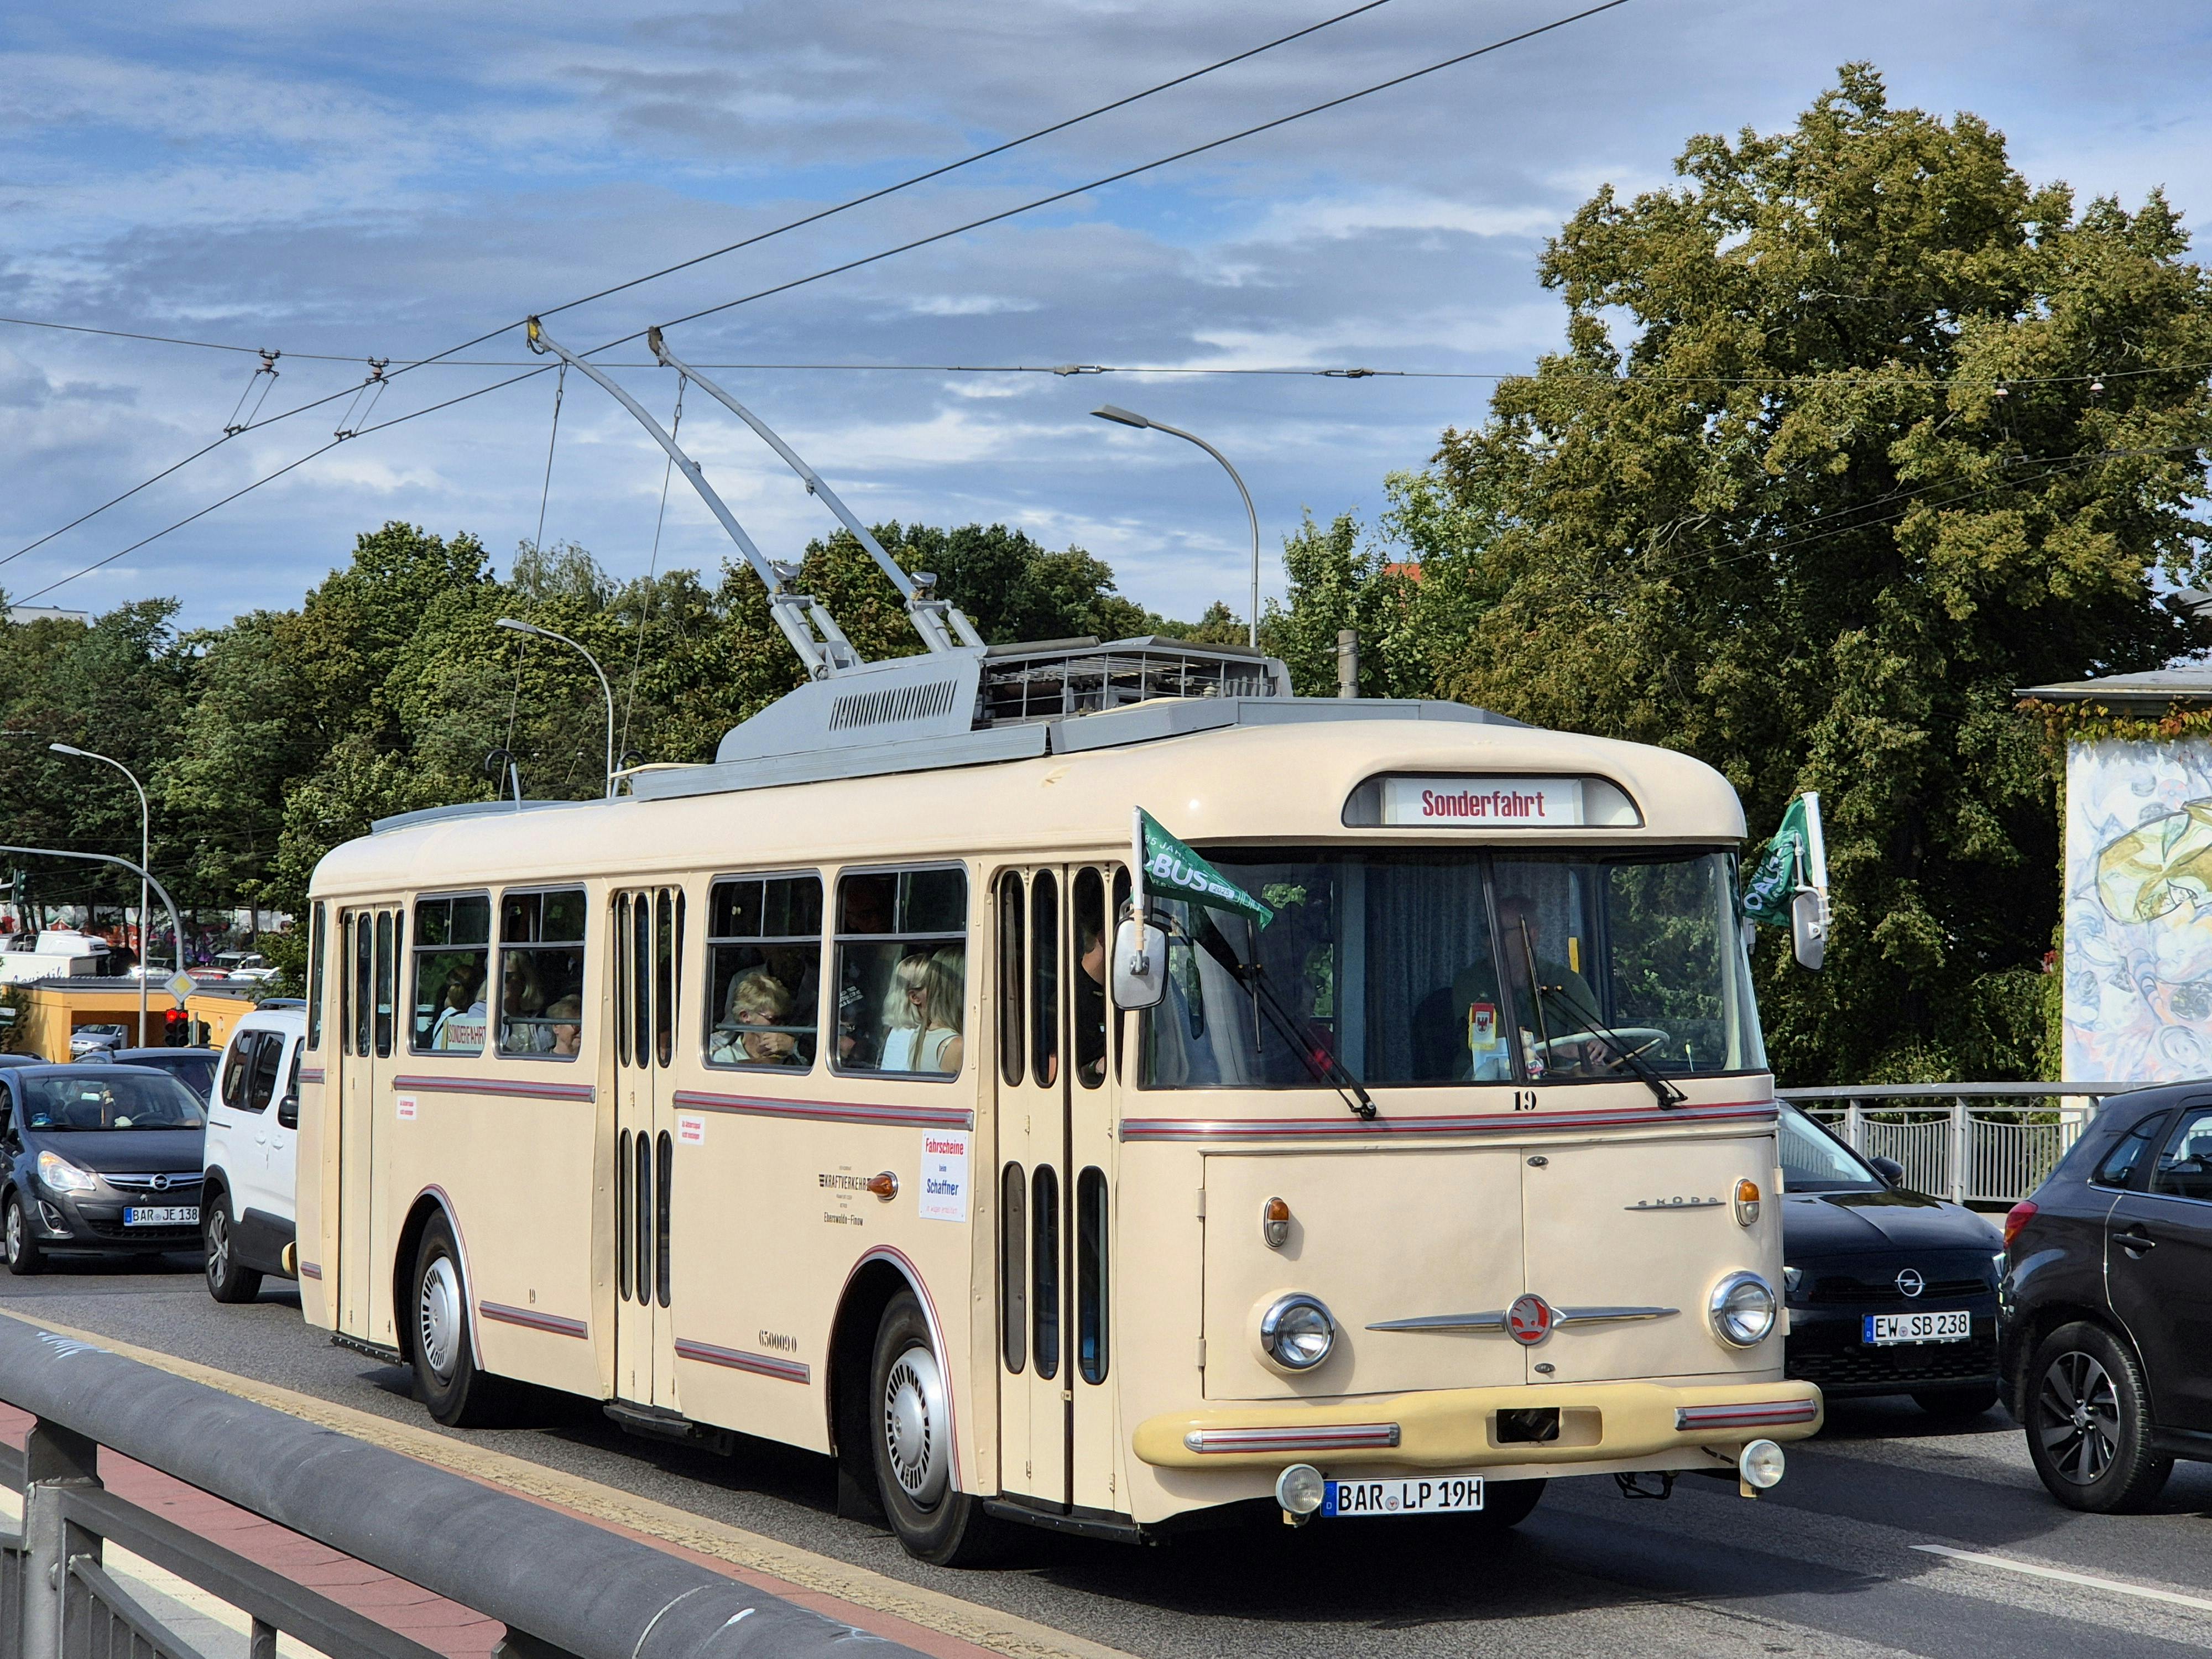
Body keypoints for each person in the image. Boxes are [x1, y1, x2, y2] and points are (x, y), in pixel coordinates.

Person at [1444, 895, 1605, 1081]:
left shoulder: (1565, 981)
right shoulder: (1470, 981)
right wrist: (1561, 1049)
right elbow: (1498, 1037)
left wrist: (1596, 1043)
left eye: (1499, 933)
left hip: (1553, 1083)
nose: (1488, 942)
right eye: (1485, 932)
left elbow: (1593, 1028)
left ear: (1531, 934)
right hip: (1482, 1083)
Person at [881, 950, 963, 1073]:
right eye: (933, 984)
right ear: (915, 997)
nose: (938, 989)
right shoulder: (910, 1035)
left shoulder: (918, 1032)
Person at [710, 972, 801, 1066]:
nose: (780, 1025)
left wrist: (792, 1047)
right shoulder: (725, 1058)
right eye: (772, 1019)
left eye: (783, 1019)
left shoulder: (789, 1055)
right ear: (745, 1016)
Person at [545, 994, 582, 1058]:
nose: (581, 1031)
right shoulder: (542, 1061)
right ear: (556, 1027)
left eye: (583, 1025)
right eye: (576, 1024)